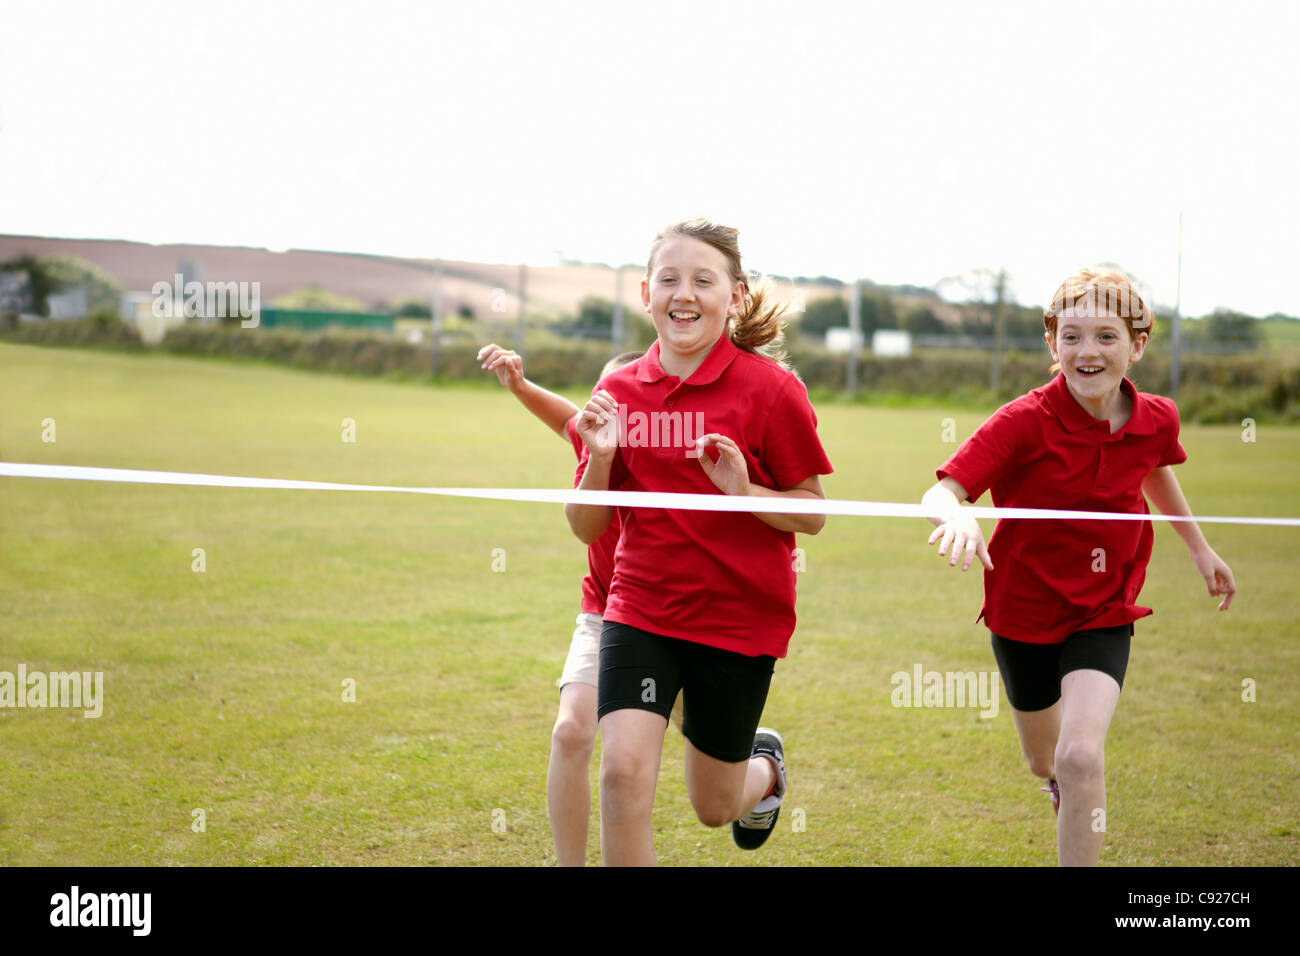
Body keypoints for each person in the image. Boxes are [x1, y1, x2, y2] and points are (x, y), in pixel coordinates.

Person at [920, 267, 1236, 866]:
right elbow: (942, 491)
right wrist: (958, 516)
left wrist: (1200, 549)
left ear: (1138, 344)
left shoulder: (1158, 416)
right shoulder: (1022, 420)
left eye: (1106, 336)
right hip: (1022, 611)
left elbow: (1152, 464)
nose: (1087, 351)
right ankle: (1060, 782)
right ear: (1051, 343)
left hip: (1103, 607)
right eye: (1071, 336)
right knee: (1048, 762)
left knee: (1081, 755)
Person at [565, 218, 833, 866]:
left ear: (735, 297)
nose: (684, 293)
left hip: (738, 621)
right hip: (641, 610)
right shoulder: (618, 392)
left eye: (703, 280)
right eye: (669, 279)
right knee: (621, 775)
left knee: (714, 807)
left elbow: (813, 514)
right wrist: (600, 460)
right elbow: (585, 527)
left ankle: (764, 771)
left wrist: (744, 493)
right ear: (645, 294)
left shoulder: (773, 391)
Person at [477, 342, 680, 867]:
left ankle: (762, 766)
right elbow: (565, 418)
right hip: (604, 615)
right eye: (597, 400)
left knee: (717, 776)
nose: (599, 412)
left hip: (674, 624)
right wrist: (519, 385)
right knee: (570, 731)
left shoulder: (667, 456)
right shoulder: (594, 443)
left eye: (616, 402)